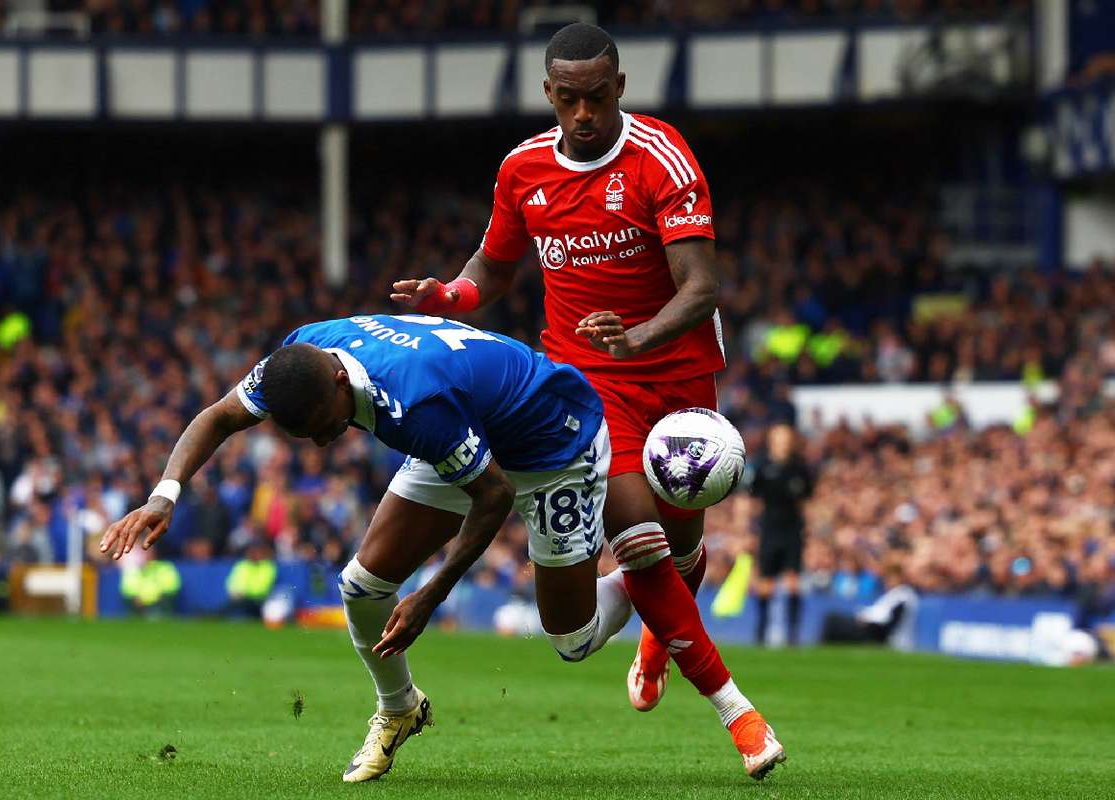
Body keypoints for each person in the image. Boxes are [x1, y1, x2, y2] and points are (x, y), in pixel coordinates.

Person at [391, 22, 782, 778]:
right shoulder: (523, 170)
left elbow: (702, 287)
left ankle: (656, 639)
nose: (583, 114)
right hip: (588, 385)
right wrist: (448, 295)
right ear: (549, 93)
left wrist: (638, 338)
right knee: (637, 535)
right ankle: (739, 714)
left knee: (682, 549)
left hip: (678, 374)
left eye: (597, 97)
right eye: (568, 99)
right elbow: (493, 269)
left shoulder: (661, 157)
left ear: (619, 87)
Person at [100, 313, 639, 783]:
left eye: (323, 425)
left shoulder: (414, 404)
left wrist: (429, 596)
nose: (321, 440)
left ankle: (643, 573)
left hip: (553, 442)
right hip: (467, 429)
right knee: (361, 587)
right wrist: (163, 497)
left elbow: (493, 496)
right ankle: (399, 709)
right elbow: (218, 416)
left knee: (573, 640)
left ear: (341, 382)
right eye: (306, 435)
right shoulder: (300, 354)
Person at [750, 424, 814, 645]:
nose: (783, 442)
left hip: (792, 530)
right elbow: (754, 499)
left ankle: (793, 634)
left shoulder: (799, 468)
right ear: (772, 441)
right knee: (766, 583)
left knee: (793, 581)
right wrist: (750, 530)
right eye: (779, 438)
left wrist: (806, 528)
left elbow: (806, 500)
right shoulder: (762, 466)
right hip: (769, 529)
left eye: (786, 438)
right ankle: (761, 630)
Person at [225, 539, 277, 619]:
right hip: (239, 599)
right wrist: (235, 592)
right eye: (252, 551)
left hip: (257, 600)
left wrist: (245, 593)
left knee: (242, 605)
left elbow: (263, 588)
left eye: (257, 551)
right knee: (231, 604)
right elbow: (232, 583)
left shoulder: (268, 566)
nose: (254, 554)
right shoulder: (242, 565)